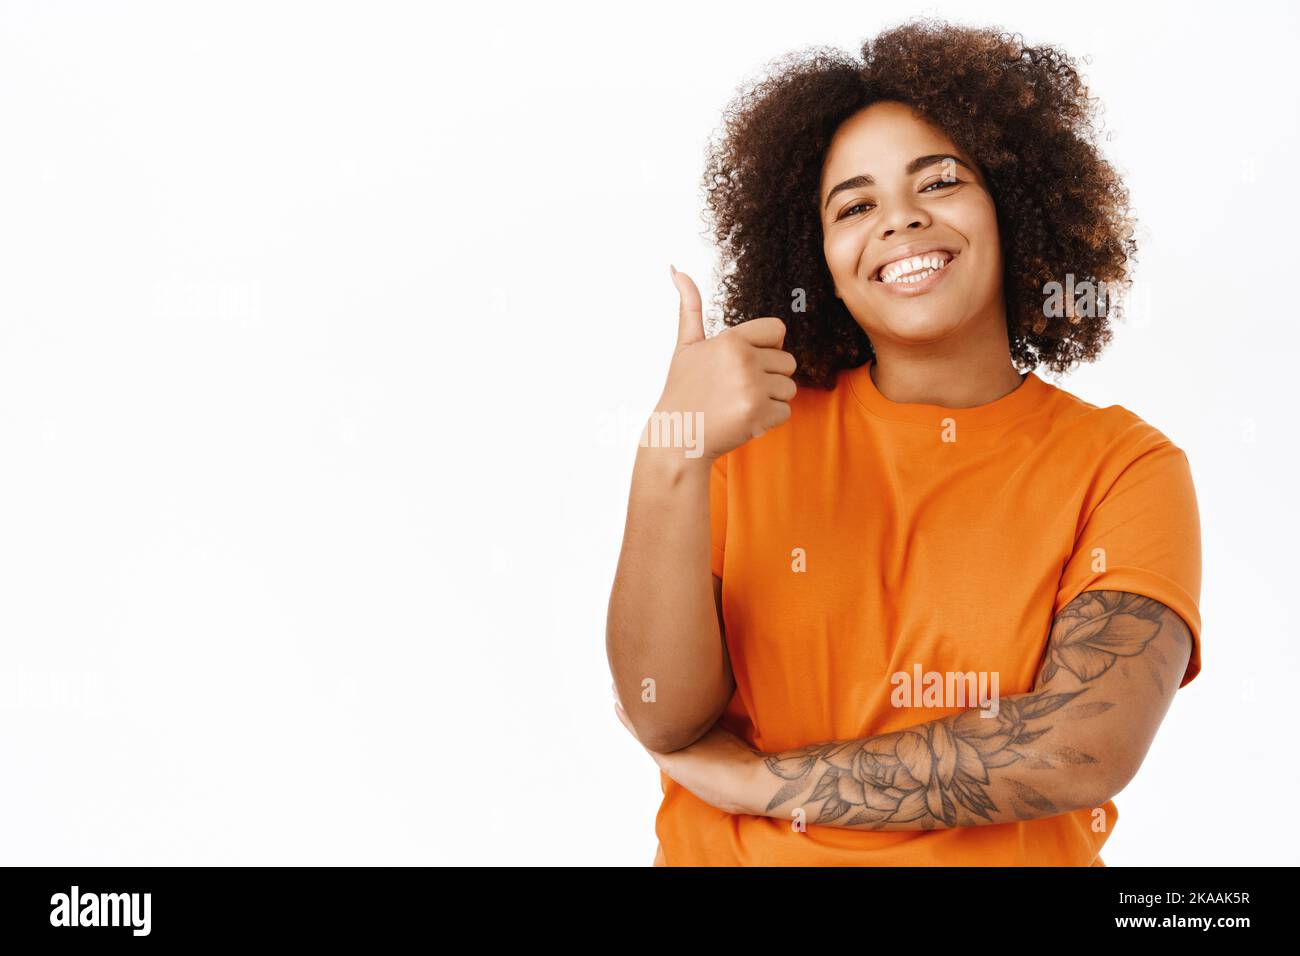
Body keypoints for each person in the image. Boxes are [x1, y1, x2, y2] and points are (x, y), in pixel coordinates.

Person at [605, 19, 1201, 866]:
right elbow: (664, 714)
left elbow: (1080, 748)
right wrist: (670, 451)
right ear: (817, 254)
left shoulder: (1126, 469)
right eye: (855, 205)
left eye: (941, 182)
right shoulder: (744, 441)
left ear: (1015, 204)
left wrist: (762, 784)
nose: (900, 221)